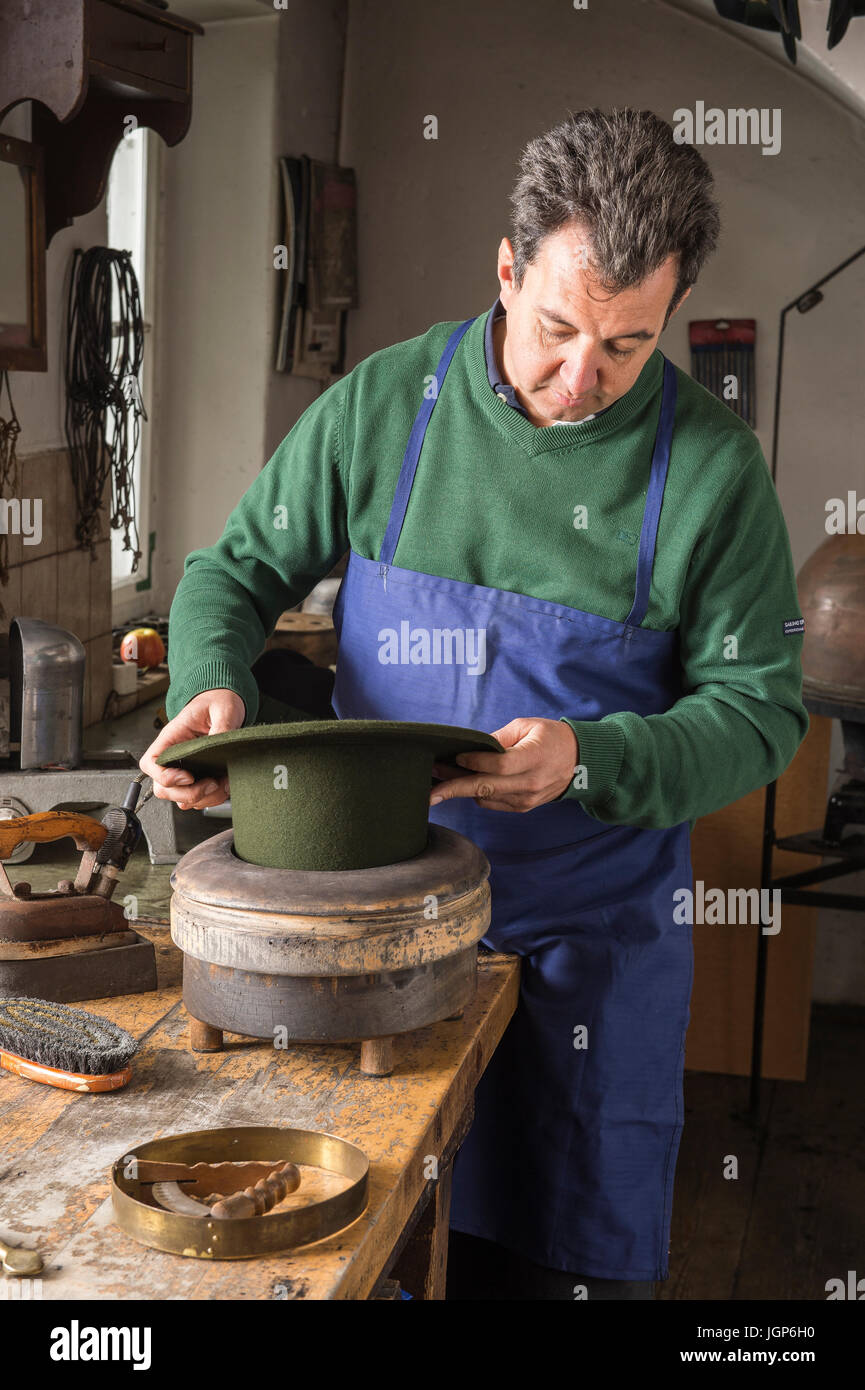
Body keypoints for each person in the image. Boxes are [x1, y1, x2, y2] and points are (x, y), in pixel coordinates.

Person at [141, 108, 807, 1300]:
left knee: (558, 1269)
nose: (578, 379)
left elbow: (759, 711)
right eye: (555, 328)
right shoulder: (387, 404)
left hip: (588, 954)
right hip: (368, 943)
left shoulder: (711, 470)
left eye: (625, 346)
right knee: (362, 1244)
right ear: (505, 270)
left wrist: (592, 755)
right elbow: (230, 575)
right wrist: (211, 684)